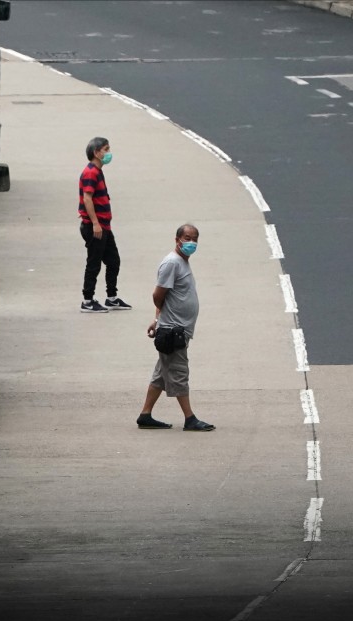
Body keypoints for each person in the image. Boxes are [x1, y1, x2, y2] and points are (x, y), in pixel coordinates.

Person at [137, 223, 215, 432]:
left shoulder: (182, 262)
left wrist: (157, 319)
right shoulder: (172, 263)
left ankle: (145, 415)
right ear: (177, 239)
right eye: (187, 238)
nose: (191, 242)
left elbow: (168, 297)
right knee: (179, 374)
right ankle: (190, 418)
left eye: (195, 239)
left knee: (161, 375)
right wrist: (162, 321)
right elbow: (158, 295)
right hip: (173, 331)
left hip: (174, 328)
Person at [78, 136, 131, 313]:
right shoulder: (90, 173)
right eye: (106, 149)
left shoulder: (97, 171)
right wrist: (95, 223)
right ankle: (87, 300)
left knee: (113, 261)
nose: (109, 153)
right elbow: (87, 198)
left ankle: (111, 297)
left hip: (104, 226)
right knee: (94, 263)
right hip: (96, 227)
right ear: (96, 152)